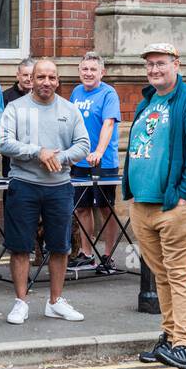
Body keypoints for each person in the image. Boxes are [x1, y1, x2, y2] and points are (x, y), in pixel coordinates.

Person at [123, 43, 186, 369]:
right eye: (149, 64)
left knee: (180, 274)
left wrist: (184, 195)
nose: (154, 70)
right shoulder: (148, 101)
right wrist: (132, 192)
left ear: (176, 64)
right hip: (145, 204)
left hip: (177, 205)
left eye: (161, 63)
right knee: (163, 275)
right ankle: (171, 336)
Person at [0, 58, 90, 324]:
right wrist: (38, 152)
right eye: (41, 77)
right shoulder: (15, 108)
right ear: (31, 80)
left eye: (51, 77)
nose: (46, 82)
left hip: (59, 187)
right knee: (20, 246)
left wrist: (59, 158)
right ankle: (21, 302)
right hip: (23, 185)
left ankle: (55, 302)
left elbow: (83, 144)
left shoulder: (70, 110)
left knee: (60, 246)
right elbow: (4, 142)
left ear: (58, 81)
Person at [68, 51, 122, 271]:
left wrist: (98, 151)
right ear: (79, 71)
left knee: (105, 209)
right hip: (79, 161)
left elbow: (108, 124)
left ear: (102, 72)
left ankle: (108, 256)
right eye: (85, 69)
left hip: (104, 162)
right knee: (81, 209)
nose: (88, 73)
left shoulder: (109, 94)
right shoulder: (76, 92)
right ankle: (86, 253)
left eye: (93, 69)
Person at [0, 58, 34, 177]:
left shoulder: (42, 97)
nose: (29, 78)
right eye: (25, 75)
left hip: (34, 156)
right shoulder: (5, 97)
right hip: (12, 155)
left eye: (32, 75)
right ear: (18, 75)